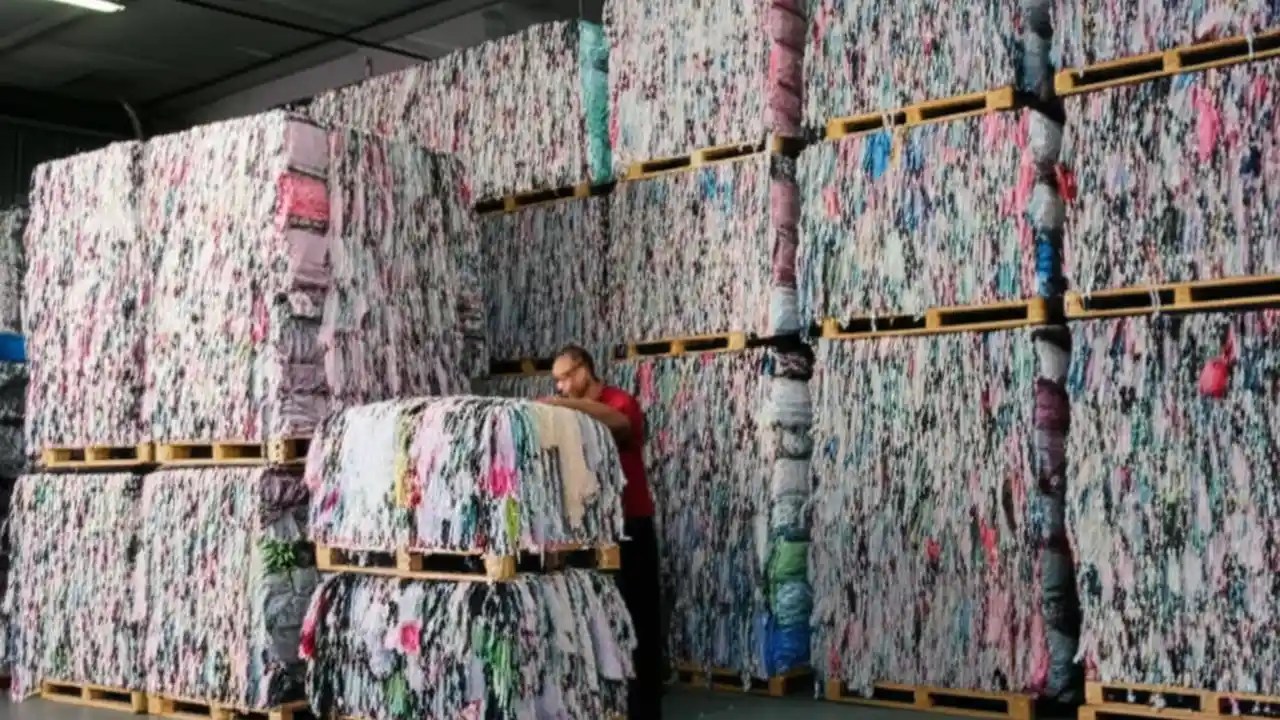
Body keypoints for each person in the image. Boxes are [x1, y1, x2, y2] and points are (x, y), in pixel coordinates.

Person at [540, 344, 663, 719]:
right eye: (556, 381)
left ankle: (644, 708)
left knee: (639, 616)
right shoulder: (570, 412)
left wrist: (562, 407)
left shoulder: (620, 402)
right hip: (593, 531)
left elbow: (619, 426)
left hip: (631, 524)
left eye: (564, 377)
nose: (560, 387)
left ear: (583, 371)